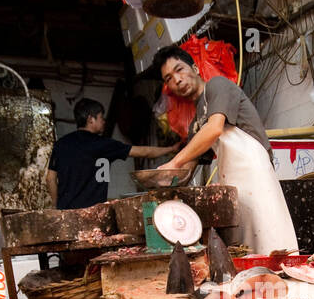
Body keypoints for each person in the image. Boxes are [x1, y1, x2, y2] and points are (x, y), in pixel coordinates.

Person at [154, 45, 298, 254]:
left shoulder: (217, 86)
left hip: (255, 174)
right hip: (233, 183)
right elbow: (190, 164)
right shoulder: (196, 121)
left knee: (270, 241)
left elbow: (214, 129)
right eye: (168, 78)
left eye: (179, 70)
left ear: (195, 68)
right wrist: (166, 183)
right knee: (246, 249)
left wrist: (174, 162)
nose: (176, 80)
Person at [46, 98, 177, 209]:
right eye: (101, 117)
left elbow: (50, 178)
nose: (104, 121)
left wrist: (57, 205)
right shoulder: (104, 144)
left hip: (65, 213)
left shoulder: (61, 144)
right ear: (91, 119)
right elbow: (145, 152)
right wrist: (171, 149)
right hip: (94, 213)